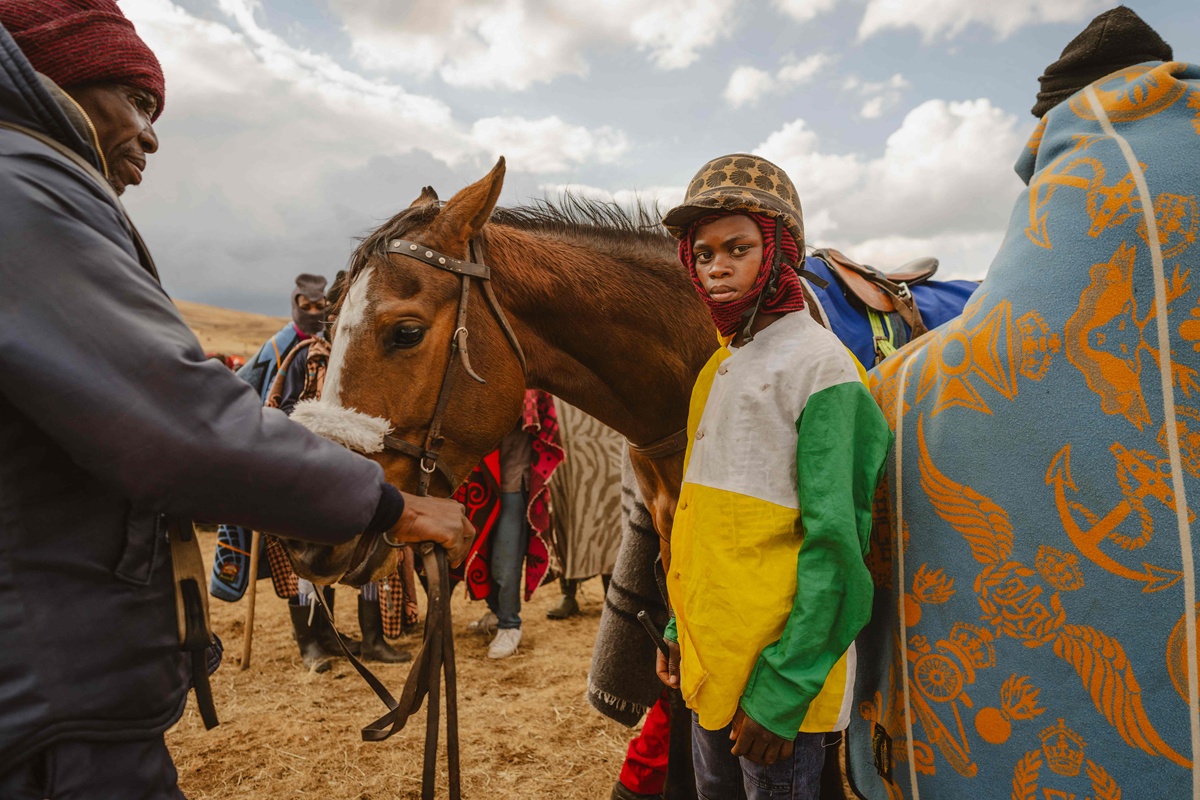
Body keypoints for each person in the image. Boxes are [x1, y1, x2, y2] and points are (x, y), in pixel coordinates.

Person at [0, 3, 472, 797]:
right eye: (137, 102)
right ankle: (316, 640)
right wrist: (390, 505)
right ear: (62, 79)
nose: (151, 135)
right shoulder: (22, 193)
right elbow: (179, 422)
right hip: (46, 709)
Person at [655, 154, 892, 799]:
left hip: (775, 690)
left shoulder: (824, 371)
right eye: (703, 253)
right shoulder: (718, 368)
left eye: (738, 247)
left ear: (780, 251)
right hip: (712, 670)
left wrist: (782, 694)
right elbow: (697, 521)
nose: (717, 266)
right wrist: (680, 631)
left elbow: (839, 548)